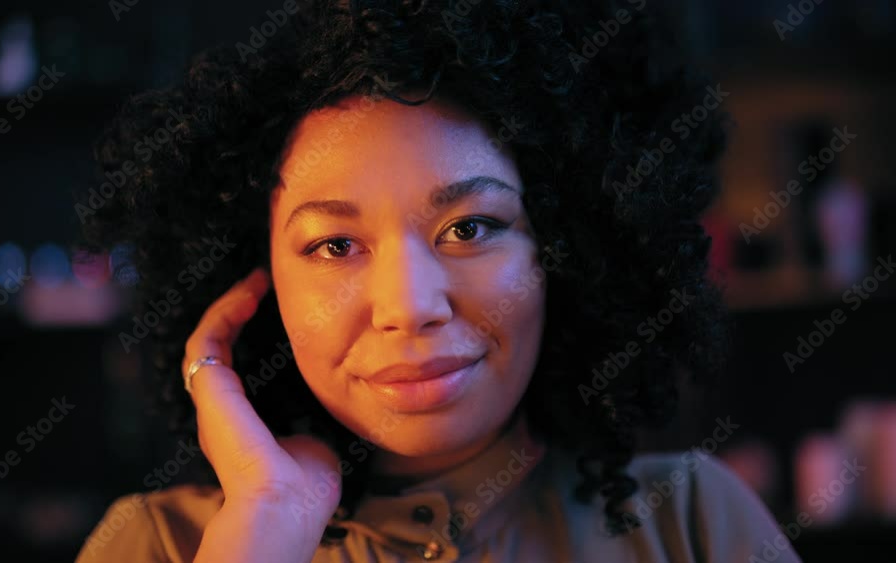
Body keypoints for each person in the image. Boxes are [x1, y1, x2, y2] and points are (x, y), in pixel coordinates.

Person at [74, 1, 803, 561]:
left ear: (567, 246)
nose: (410, 305)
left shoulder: (694, 520)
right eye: (334, 244)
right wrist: (268, 525)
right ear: (253, 282)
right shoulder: (158, 544)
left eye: (470, 227)